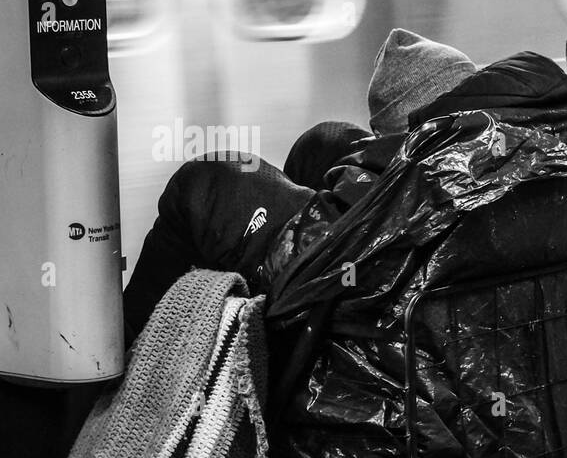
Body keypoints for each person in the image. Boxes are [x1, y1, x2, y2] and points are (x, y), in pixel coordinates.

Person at [121, 32, 478, 341]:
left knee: (204, 183)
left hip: (360, 278)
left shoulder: (437, 170)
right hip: (423, 252)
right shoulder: (500, 151)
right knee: (326, 142)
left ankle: (122, 361)